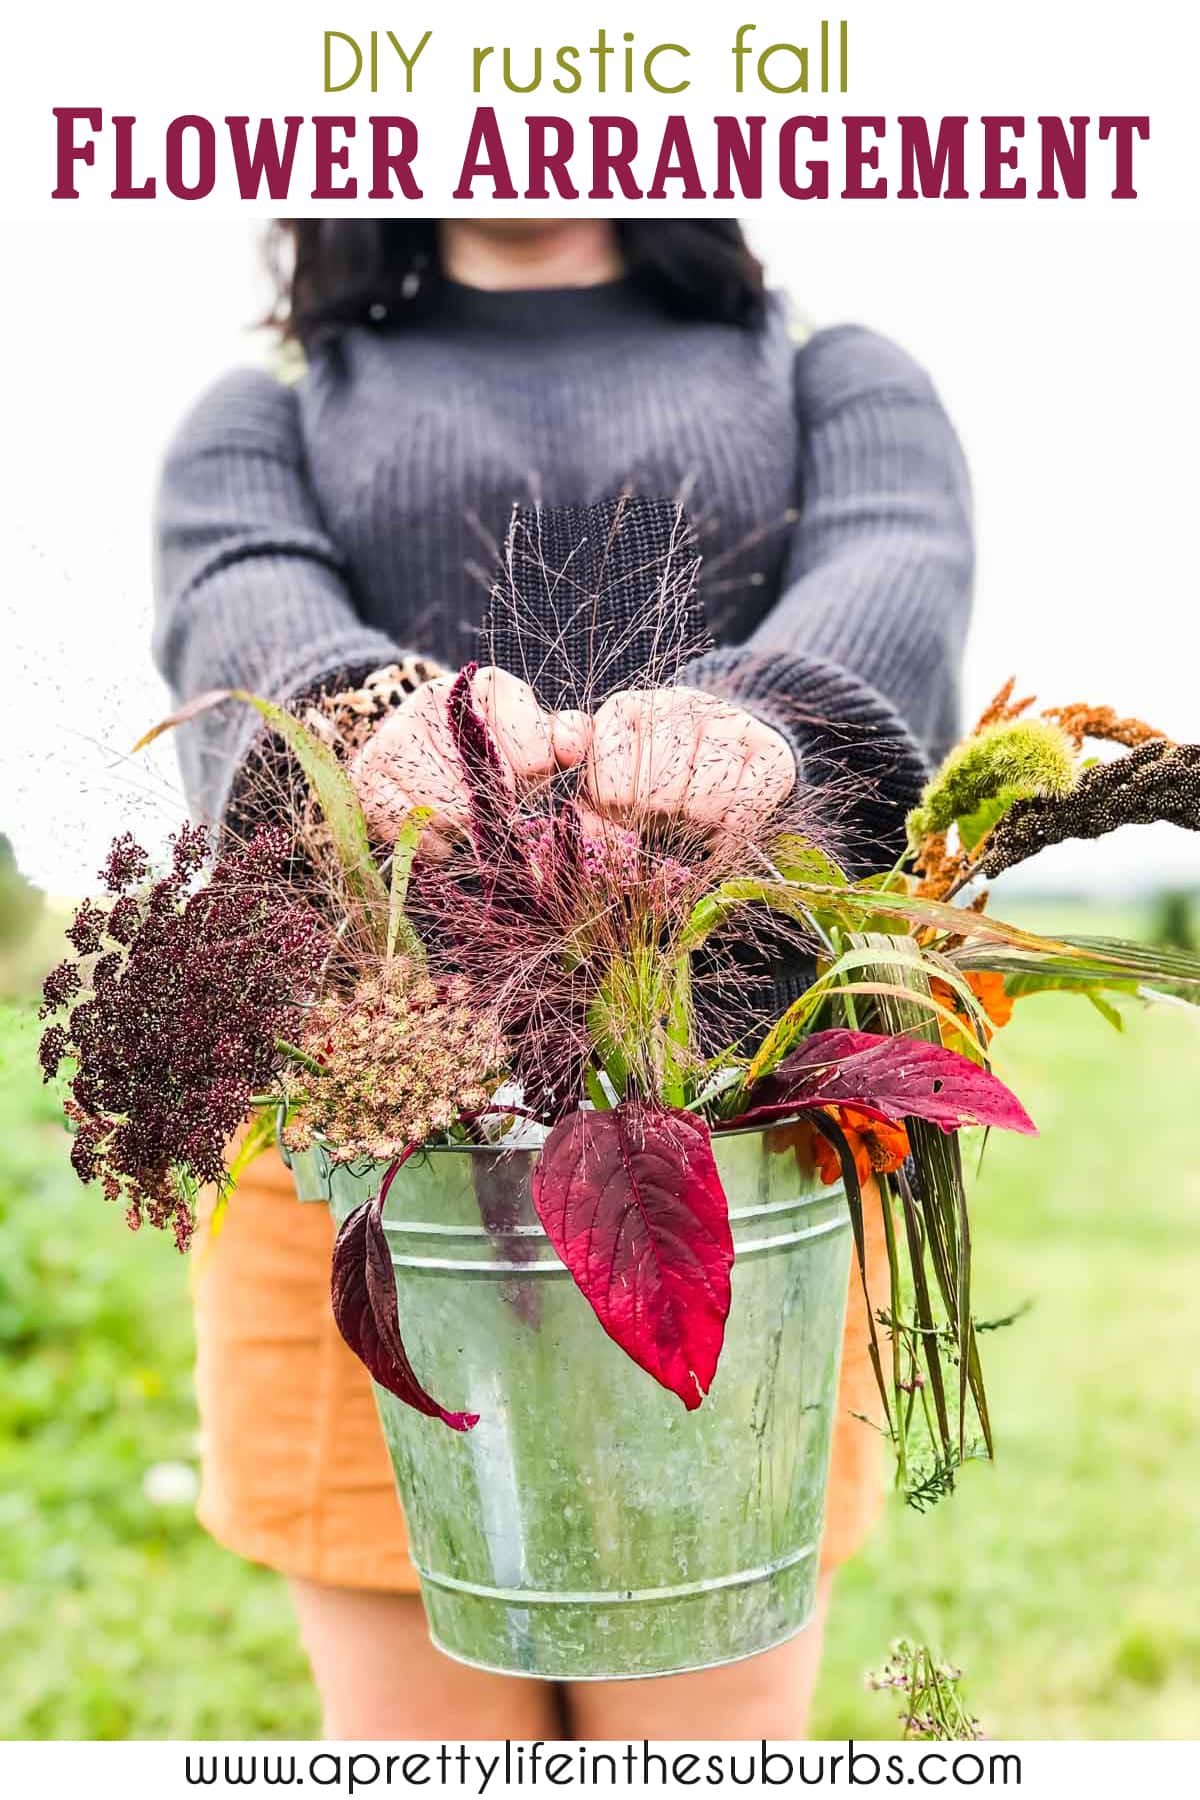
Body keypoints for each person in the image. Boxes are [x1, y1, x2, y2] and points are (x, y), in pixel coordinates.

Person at [153, 218, 973, 1740]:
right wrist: (380, 723)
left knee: (698, 1715)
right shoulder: (267, 409)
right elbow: (239, 600)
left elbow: (895, 572)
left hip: (730, 1144)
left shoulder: (828, 376)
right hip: (380, 1173)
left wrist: (756, 728)